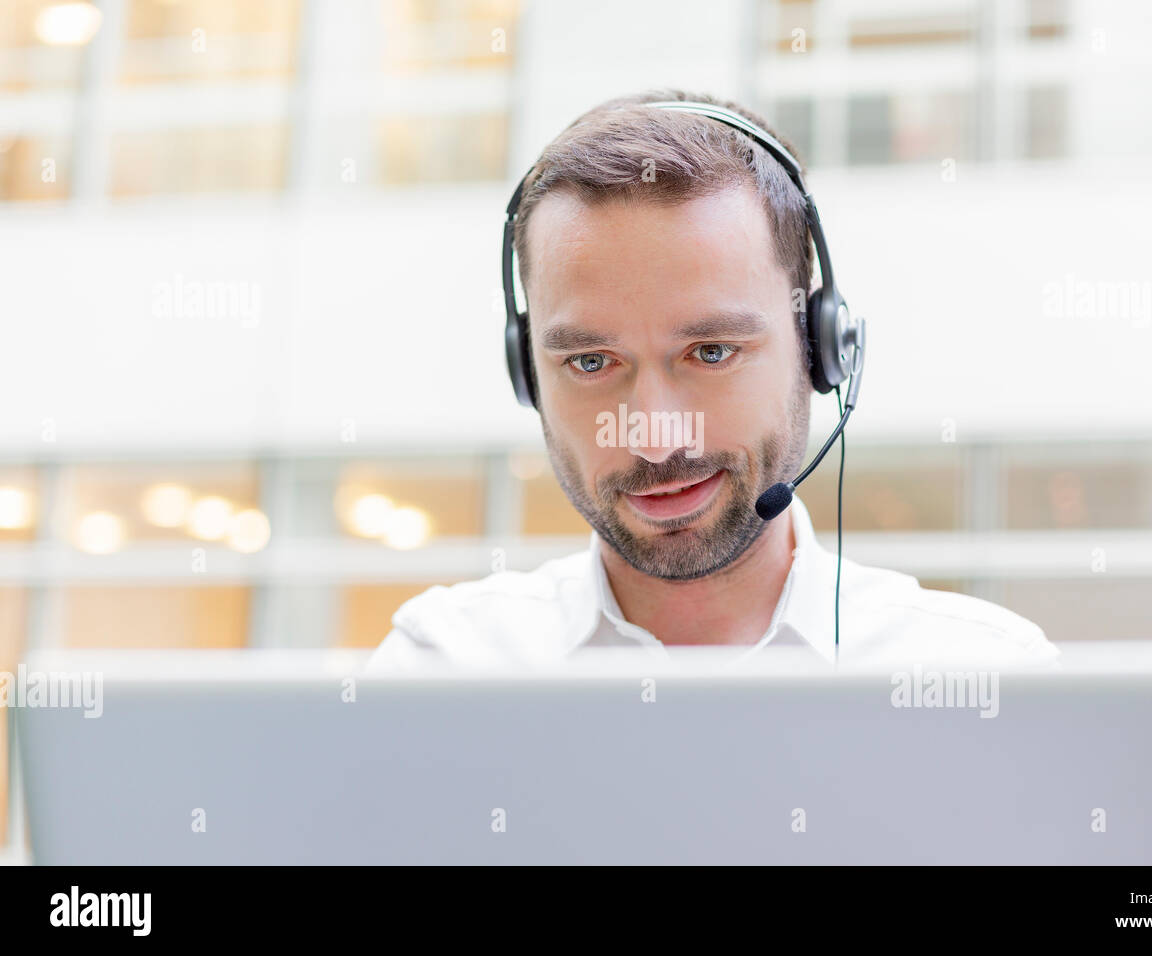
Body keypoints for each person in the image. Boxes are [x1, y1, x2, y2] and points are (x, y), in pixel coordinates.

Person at [368, 89, 1058, 670]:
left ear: (819, 346)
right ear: (527, 372)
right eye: (590, 362)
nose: (656, 438)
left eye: (711, 352)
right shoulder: (440, 670)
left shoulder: (984, 675)